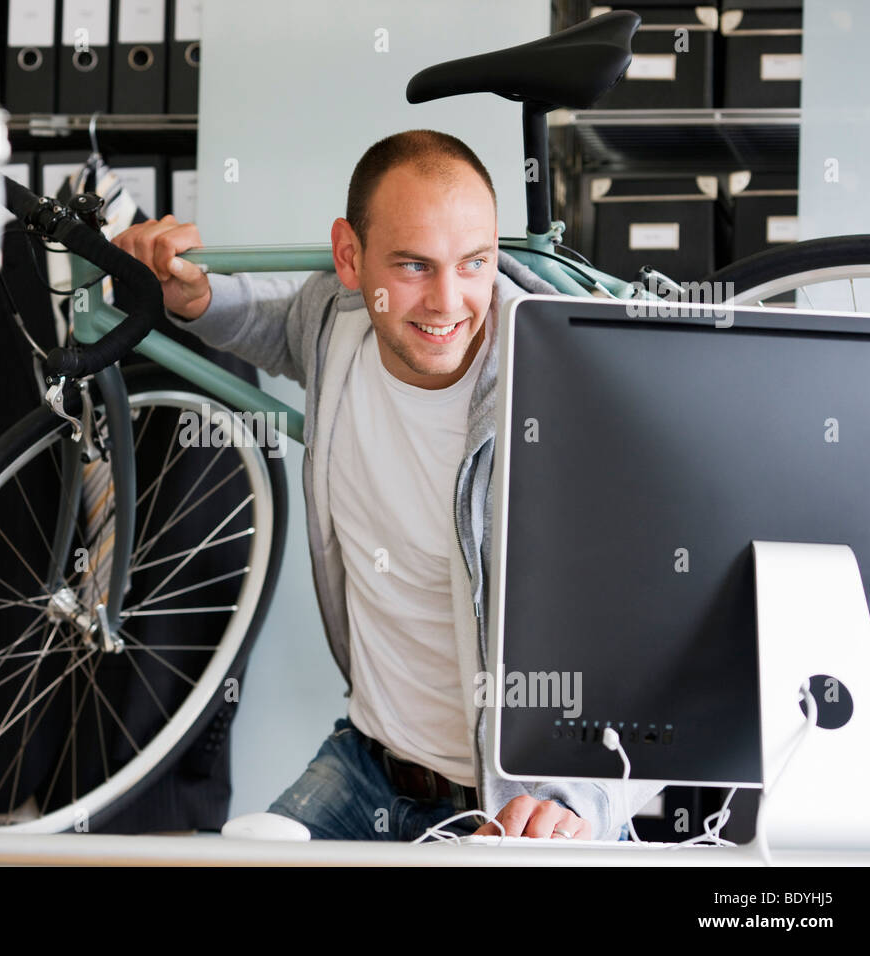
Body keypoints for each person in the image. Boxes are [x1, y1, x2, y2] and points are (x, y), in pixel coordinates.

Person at [112, 129, 661, 841]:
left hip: (521, 804)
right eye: (413, 266)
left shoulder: (565, 392)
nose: (448, 302)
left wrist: (587, 805)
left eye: (475, 263)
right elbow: (263, 322)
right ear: (349, 257)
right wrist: (190, 295)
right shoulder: (336, 326)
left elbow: (666, 632)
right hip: (370, 763)